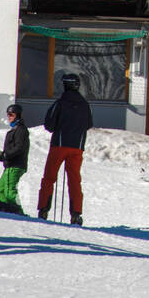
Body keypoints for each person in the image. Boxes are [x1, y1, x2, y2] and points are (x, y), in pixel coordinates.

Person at [38, 73, 93, 225]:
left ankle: (43, 209)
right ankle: (76, 214)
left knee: (49, 177)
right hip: (77, 147)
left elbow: (49, 125)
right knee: (74, 180)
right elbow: (89, 124)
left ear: (64, 85)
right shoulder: (84, 104)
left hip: (59, 145)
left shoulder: (60, 103)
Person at [0, 104, 30, 213]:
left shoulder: (21, 130)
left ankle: (18, 211)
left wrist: (5, 155)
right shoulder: (15, 129)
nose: (9, 117)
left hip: (15, 165)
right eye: (8, 115)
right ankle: (7, 209)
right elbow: (12, 149)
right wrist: (1, 155)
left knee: (9, 192)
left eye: (11, 114)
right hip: (10, 165)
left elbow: (19, 148)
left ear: (18, 115)